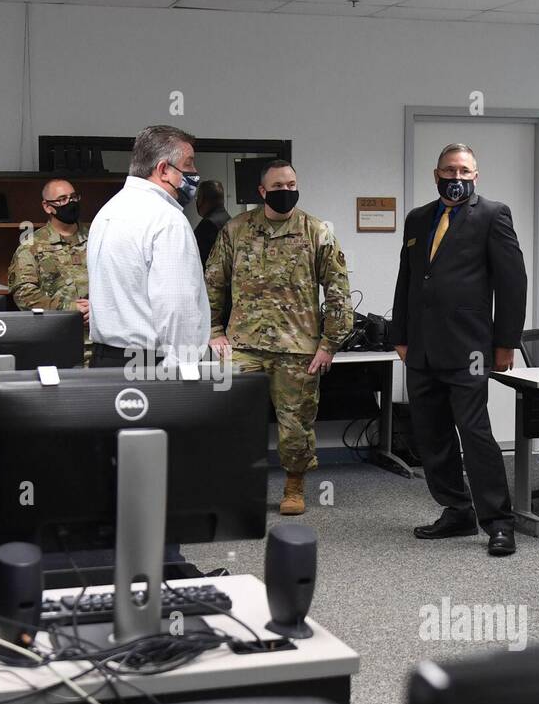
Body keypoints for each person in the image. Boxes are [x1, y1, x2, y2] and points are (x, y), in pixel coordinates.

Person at [391, 143, 527, 557]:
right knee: (431, 435)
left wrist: (505, 342)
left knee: (474, 433)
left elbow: (512, 282)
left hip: (469, 347)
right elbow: (407, 279)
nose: (456, 178)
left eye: (464, 171)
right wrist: (400, 333)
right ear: (436, 175)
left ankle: (499, 523)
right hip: (421, 349)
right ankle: (456, 510)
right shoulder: (417, 219)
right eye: (449, 171)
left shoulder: (492, 215)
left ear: (476, 175)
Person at [207, 161, 352, 515]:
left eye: (291, 183)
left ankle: (294, 487)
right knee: (235, 421)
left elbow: (338, 291)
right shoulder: (236, 230)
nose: (286, 190)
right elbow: (213, 282)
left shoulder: (317, 231)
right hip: (243, 346)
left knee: (296, 425)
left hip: (297, 349)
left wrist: (329, 344)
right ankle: (240, 489)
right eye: (278, 185)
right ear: (262, 191)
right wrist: (212, 331)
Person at [86, 125, 209, 368]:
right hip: (151, 365)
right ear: (163, 169)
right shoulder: (167, 219)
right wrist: (183, 371)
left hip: (106, 361)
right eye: (189, 164)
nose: (195, 173)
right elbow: (176, 305)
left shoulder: (108, 211)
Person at [8, 178, 91, 365]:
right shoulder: (31, 246)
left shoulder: (98, 236)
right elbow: (24, 295)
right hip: (58, 343)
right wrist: (70, 310)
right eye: (62, 199)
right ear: (47, 207)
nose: (69, 203)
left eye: (73, 197)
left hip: (101, 340)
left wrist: (99, 310)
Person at [193, 179, 230, 269]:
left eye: (198, 198)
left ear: (203, 199)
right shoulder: (228, 220)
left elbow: (198, 261)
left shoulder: (207, 225)